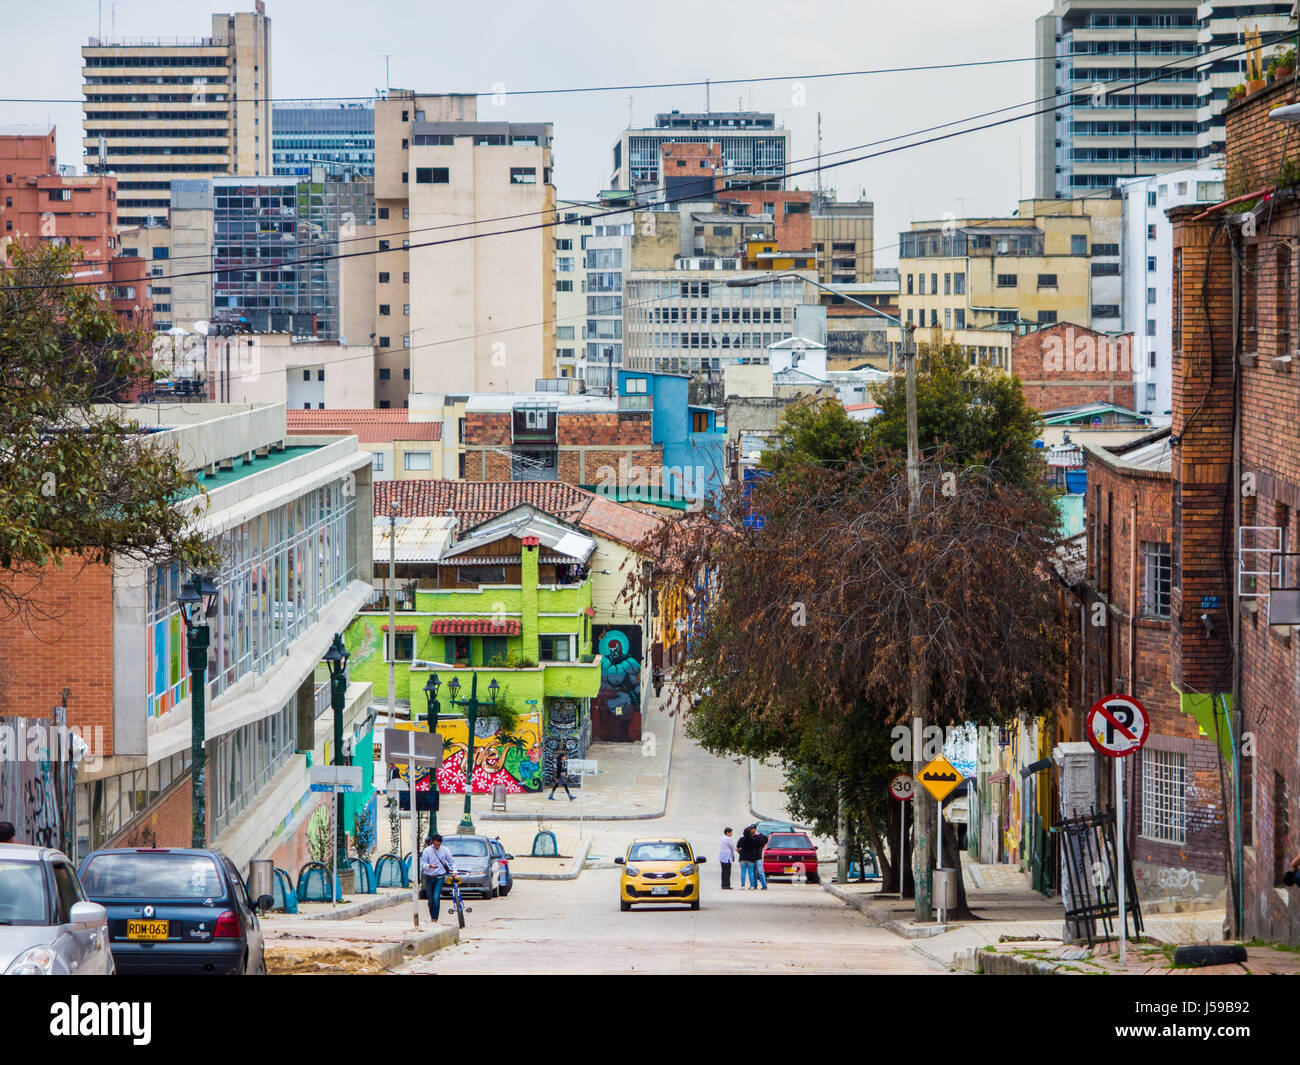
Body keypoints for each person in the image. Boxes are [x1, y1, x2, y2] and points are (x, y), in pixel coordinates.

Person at [420, 834, 457, 922]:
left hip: (440, 877)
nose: (437, 847)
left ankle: (435, 918)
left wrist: (455, 870)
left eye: (438, 845)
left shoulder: (445, 850)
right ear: (432, 842)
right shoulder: (427, 851)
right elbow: (423, 865)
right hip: (429, 877)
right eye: (435, 845)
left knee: (436, 897)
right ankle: (432, 915)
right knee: (430, 900)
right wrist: (429, 866)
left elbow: (452, 862)